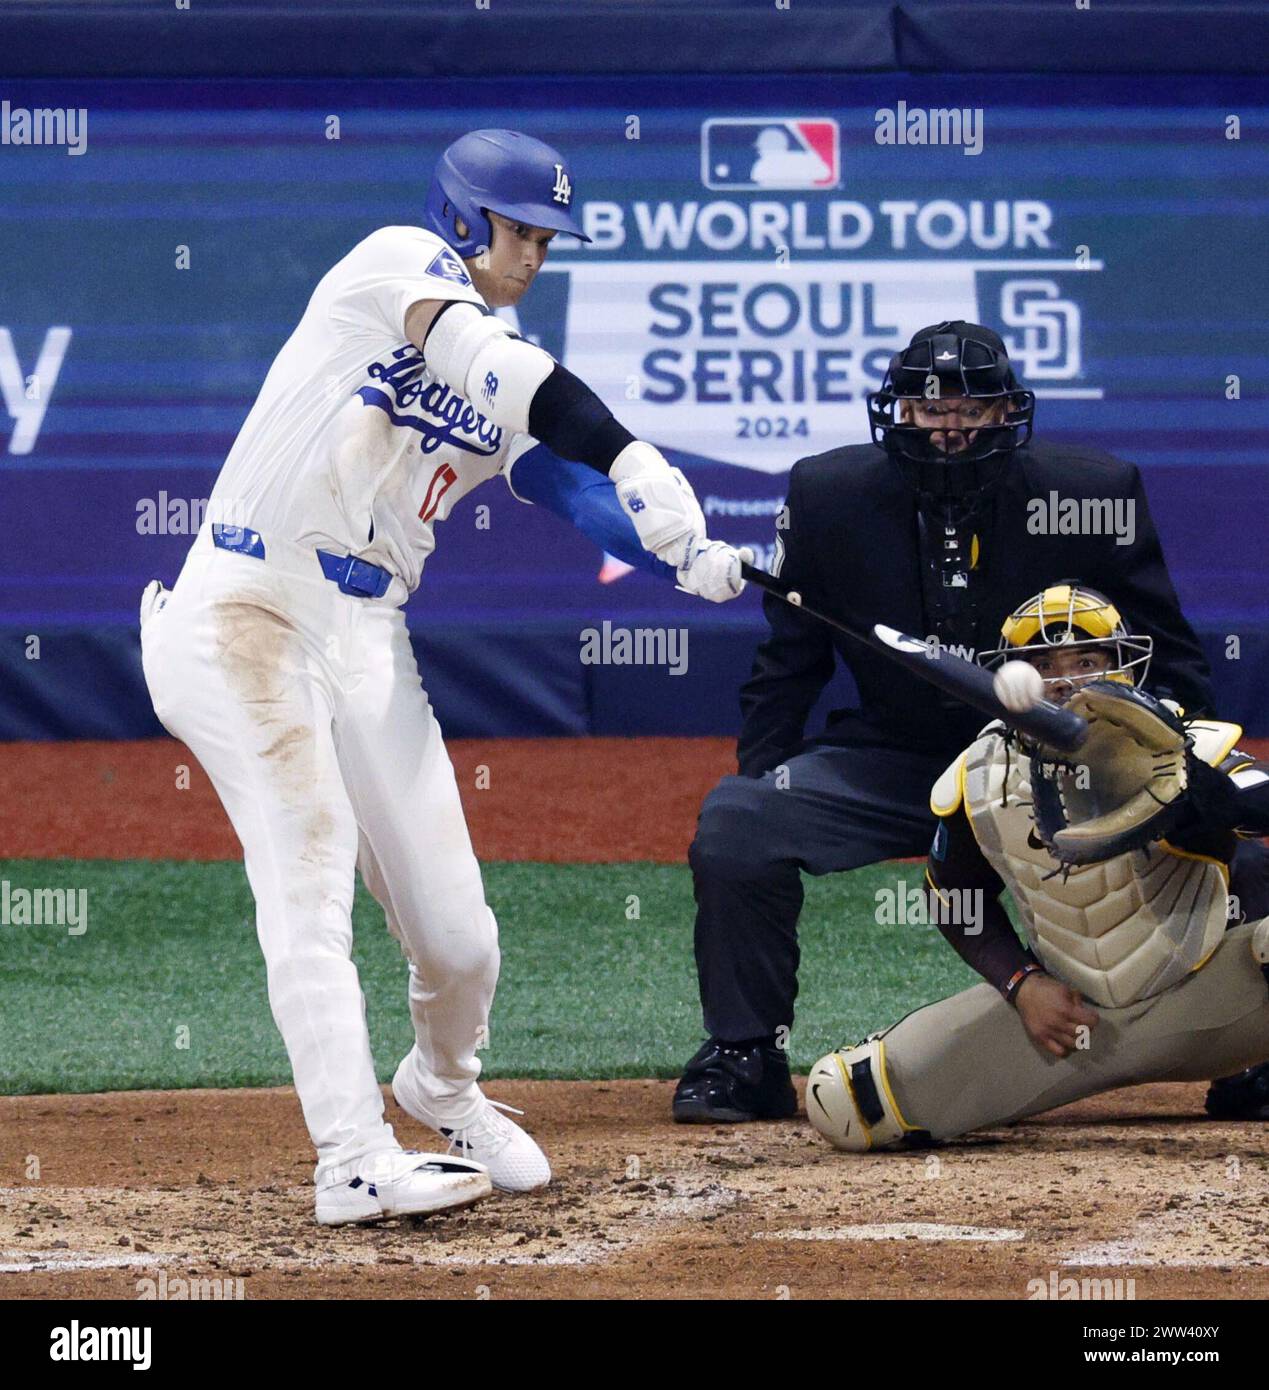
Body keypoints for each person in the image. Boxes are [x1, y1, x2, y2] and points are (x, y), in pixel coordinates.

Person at [139, 128, 747, 1225]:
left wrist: (679, 544)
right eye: (520, 231)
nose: (533, 255)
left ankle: (442, 1086)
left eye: (547, 239)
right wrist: (633, 450)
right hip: (247, 608)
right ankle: (352, 1157)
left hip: (368, 632)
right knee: (310, 875)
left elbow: (558, 478)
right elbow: (501, 372)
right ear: (466, 217)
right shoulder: (394, 264)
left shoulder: (499, 355)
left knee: (459, 935)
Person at [672, 319, 1269, 1124]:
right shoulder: (826, 495)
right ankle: (744, 1054)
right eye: (930, 410)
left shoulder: (1090, 493)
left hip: (1061, 762)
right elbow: (787, 667)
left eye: (972, 409)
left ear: (1006, 413)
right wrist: (763, 770)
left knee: (1229, 821)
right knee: (739, 824)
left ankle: (1255, 1050)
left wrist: (1170, 766)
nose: (949, 426)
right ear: (898, 415)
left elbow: (1166, 655)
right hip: (890, 758)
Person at [804, 584, 1269, 1150]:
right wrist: (1021, 984)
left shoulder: (1184, 747)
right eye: (1042, 664)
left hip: (1208, 1002)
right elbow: (953, 897)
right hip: (1070, 1025)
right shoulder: (979, 779)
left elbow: (1260, 804)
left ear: (1123, 667)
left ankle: (1250, 1074)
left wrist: (1205, 793)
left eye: (1087, 660)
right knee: (846, 1102)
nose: (1065, 679)